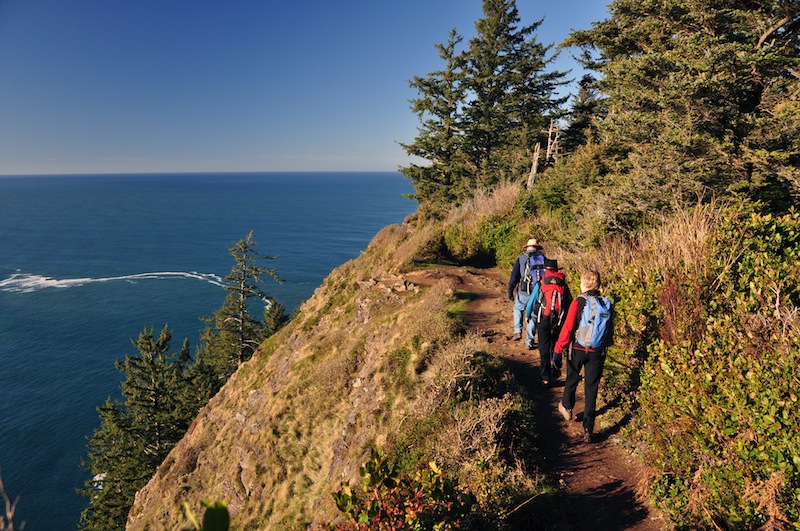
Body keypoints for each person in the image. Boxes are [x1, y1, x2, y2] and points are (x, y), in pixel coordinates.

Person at [554, 270, 614, 443]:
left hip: (577, 349)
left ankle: (567, 406)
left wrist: (558, 349)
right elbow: (609, 332)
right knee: (591, 389)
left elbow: (568, 328)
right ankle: (588, 429)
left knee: (572, 377)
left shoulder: (578, 301)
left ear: (583, 284)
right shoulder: (606, 303)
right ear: (598, 284)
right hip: (597, 352)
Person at [532, 259, 571, 385]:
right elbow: (569, 303)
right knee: (555, 345)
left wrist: (528, 315)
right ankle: (555, 369)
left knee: (544, 347)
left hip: (543, 318)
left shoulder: (541, 282)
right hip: (558, 320)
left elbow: (532, 301)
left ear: (545, 269)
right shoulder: (563, 284)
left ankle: (545, 378)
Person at [507, 239, 546, 341]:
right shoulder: (543, 258)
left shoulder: (522, 258)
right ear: (537, 247)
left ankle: (518, 331)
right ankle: (529, 341)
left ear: (527, 247)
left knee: (518, 309)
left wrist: (510, 290)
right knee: (533, 315)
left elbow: (514, 277)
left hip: (524, 291)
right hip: (538, 291)